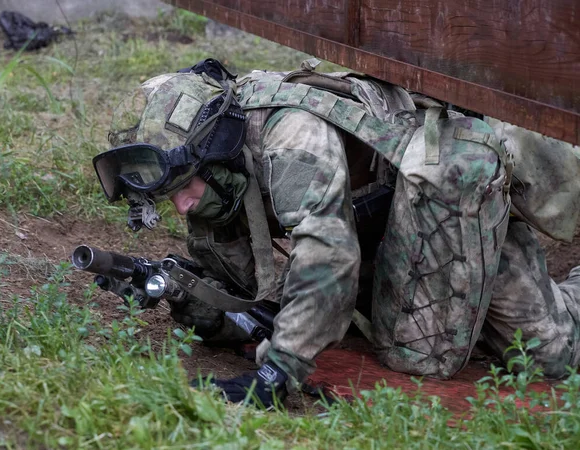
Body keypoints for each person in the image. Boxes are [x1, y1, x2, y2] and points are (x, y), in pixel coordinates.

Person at [92, 58, 580, 408]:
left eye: (185, 188)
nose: (181, 205)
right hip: (384, 218)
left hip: (446, 190)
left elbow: (328, 257)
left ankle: (505, 254)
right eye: (168, 196)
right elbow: (259, 304)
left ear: (210, 154)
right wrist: (179, 291)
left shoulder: (292, 137)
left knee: (537, 356)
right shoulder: (217, 176)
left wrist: (277, 371)